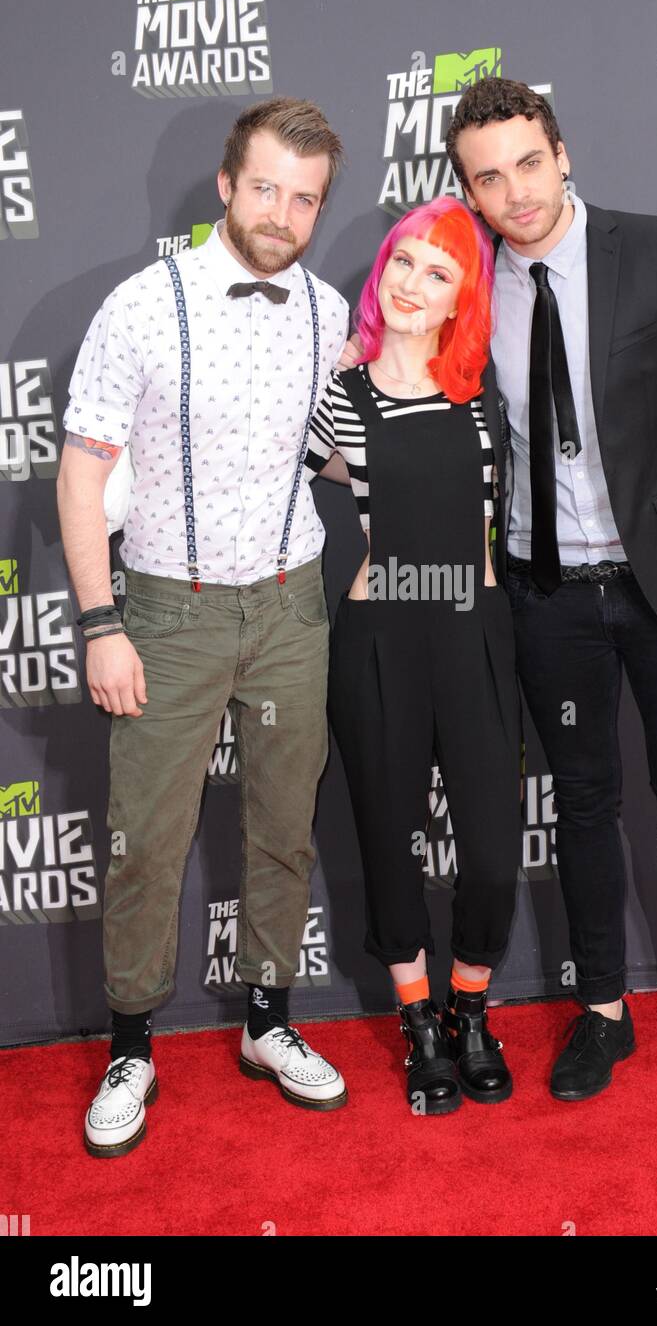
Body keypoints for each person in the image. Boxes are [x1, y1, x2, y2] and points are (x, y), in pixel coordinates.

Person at [436, 77, 657, 1100]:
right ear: (469, 191)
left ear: (562, 152)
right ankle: (601, 1010)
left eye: (528, 163)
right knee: (581, 803)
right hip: (547, 593)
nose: (516, 192)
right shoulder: (467, 289)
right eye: (487, 177)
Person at [57, 97, 351, 1159]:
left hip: (289, 602)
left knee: (283, 825)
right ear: (225, 186)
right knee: (149, 840)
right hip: (166, 612)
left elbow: (329, 451)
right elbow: (84, 472)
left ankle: (271, 1023)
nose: (281, 212)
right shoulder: (140, 306)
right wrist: (101, 623)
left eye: (305, 197)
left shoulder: (327, 310)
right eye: (265, 186)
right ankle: (132, 1043)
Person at [306, 198, 523, 1114]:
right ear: (382, 272)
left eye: (440, 273)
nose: (412, 284)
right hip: (379, 638)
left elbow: (492, 528)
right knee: (388, 845)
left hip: (470, 631)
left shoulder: (482, 404)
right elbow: (298, 481)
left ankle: (470, 1007)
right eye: (404, 262)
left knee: (489, 848)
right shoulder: (339, 398)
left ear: (458, 300)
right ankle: (419, 1026)